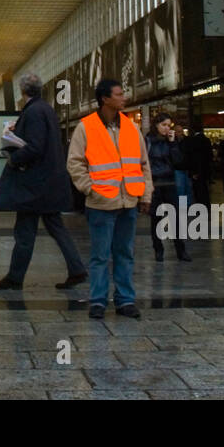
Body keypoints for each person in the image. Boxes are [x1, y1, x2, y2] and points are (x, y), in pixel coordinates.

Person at [0, 72, 86, 291]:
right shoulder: (46, 109)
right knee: (56, 227)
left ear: (22, 91)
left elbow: (35, 146)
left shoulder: (33, 112)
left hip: (35, 185)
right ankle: (77, 269)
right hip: (49, 182)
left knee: (24, 231)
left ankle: (15, 277)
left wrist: (14, 158)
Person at [67, 78, 152, 319]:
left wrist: (146, 195)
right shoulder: (86, 127)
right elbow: (74, 163)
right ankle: (98, 301)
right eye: (119, 94)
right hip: (100, 203)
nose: (124, 97)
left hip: (129, 202)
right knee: (100, 255)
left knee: (125, 253)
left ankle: (125, 301)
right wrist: (89, 188)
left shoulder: (130, 127)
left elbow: (143, 164)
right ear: (105, 99)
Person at [146, 112, 190, 263]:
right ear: (156, 125)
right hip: (155, 184)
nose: (166, 128)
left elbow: (179, 162)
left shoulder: (171, 142)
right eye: (163, 125)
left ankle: (181, 250)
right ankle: (158, 250)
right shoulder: (148, 141)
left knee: (175, 218)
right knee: (156, 219)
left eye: (168, 125)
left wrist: (172, 144)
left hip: (170, 183)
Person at [181, 121, 212, 204]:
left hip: (197, 169)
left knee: (197, 191)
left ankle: (200, 207)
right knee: (205, 189)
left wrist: (194, 171)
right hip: (205, 169)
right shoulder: (207, 140)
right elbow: (210, 156)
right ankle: (206, 206)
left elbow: (193, 158)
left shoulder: (193, 141)